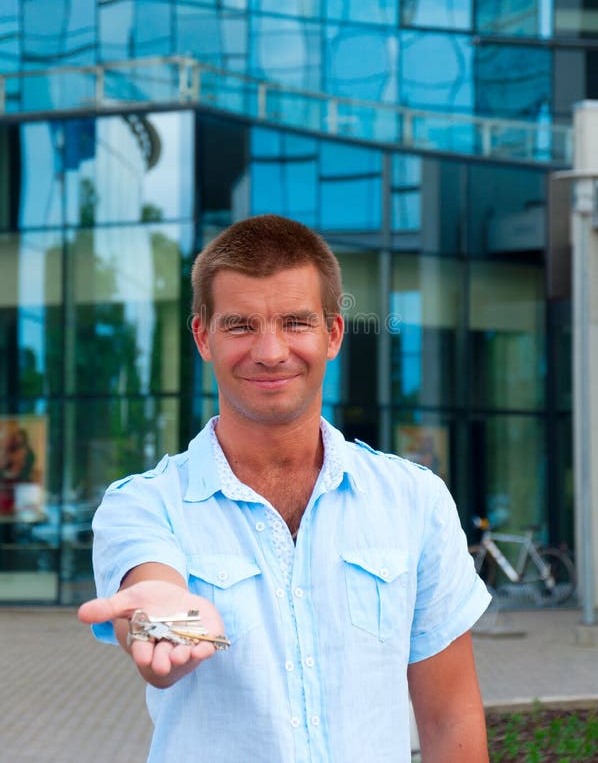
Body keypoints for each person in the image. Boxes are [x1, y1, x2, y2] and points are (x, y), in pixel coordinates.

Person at [78, 214, 491, 762]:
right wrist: (164, 621)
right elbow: (152, 593)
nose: (271, 352)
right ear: (203, 337)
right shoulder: (143, 504)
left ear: (333, 334)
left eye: (295, 322)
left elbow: (450, 717)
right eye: (241, 325)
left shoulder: (414, 500)